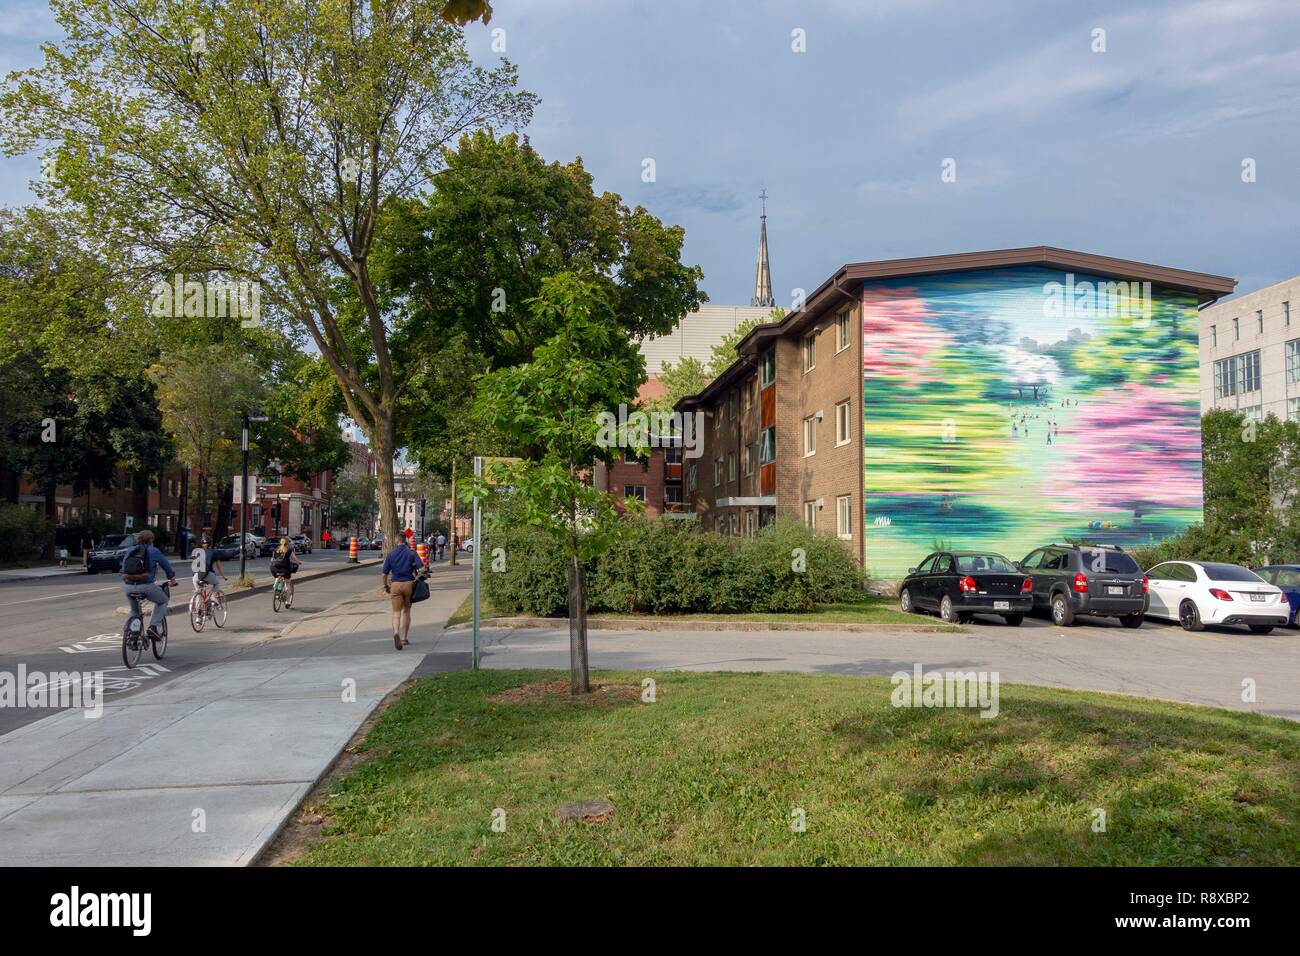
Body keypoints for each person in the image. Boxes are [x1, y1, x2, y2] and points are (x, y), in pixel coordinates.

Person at [119, 529, 177, 642]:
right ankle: (153, 627)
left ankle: (133, 635)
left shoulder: (130, 550)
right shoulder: (154, 551)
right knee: (163, 601)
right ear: (151, 540)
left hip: (128, 586)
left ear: (138, 540)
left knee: (135, 611)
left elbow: (123, 569)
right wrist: (172, 580)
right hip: (146, 586)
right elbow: (167, 567)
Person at [381, 535, 425, 650]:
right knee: (406, 611)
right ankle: (404, 638)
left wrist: (385, 586)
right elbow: (422, 569)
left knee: (396, 613)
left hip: (395, 585)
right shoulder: (412, 553)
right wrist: (418, 573)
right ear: (405, 541)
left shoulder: (391, 554)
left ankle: (396, 633)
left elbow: (384, 573)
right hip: (408, 584)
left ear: (396, 541)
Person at [270, 537, 300, 606]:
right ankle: (287, 601)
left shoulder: (276, 549)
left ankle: (275, 586)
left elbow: (272, 559)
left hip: (275, 567)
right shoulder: (289, 550)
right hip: (285, 569)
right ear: (287, 543)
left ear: (280, 543)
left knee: (277, 576)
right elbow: (295, 559)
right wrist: (298, 562)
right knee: (287, 583)